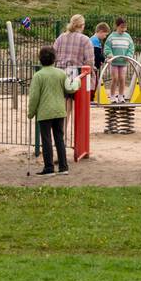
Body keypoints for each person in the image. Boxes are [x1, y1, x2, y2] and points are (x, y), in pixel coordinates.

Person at [28, 46, 70, 176]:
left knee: (46, 139)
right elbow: (68, 89)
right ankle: (63, 167)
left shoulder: (38, 75)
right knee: (59, 139)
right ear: (54, 59)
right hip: (59, 110)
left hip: (45, 112)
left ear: (40, 59)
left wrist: (31, 112)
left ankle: (49, 168)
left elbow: (34, 96)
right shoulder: (61, 73)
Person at [54, 15, 95, 149]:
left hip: (61, 74)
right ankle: (79, 144)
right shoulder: (85, 40)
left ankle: (62, 139)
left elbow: (53, 55)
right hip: (77, 76)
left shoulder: (61, 38)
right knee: (80, 112)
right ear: (82, 25)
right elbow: (89, 62)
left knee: (64, 111)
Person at [103, 17, 136, 104]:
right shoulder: (112, 36)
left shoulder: (127, 36)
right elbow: (107, 47)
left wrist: (128, 55)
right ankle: (113, 96)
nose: (123, 29)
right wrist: (110, 54)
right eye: (121, 27)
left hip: (123, 62)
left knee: (122, 78)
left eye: (125, 27)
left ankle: (121, 96)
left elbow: (131, 47)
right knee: (115, 78)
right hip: (114, 62)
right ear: (117, 26)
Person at [89, 22, 109, 90]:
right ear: (101, 32)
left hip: (95, 65)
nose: (105, 37)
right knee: (93, 83)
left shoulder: (96, 40)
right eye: (105, 35)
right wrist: (104, 59)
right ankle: (92, 97)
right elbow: (96, 54)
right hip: (93, 66)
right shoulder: (94, 40)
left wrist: (100, 61)